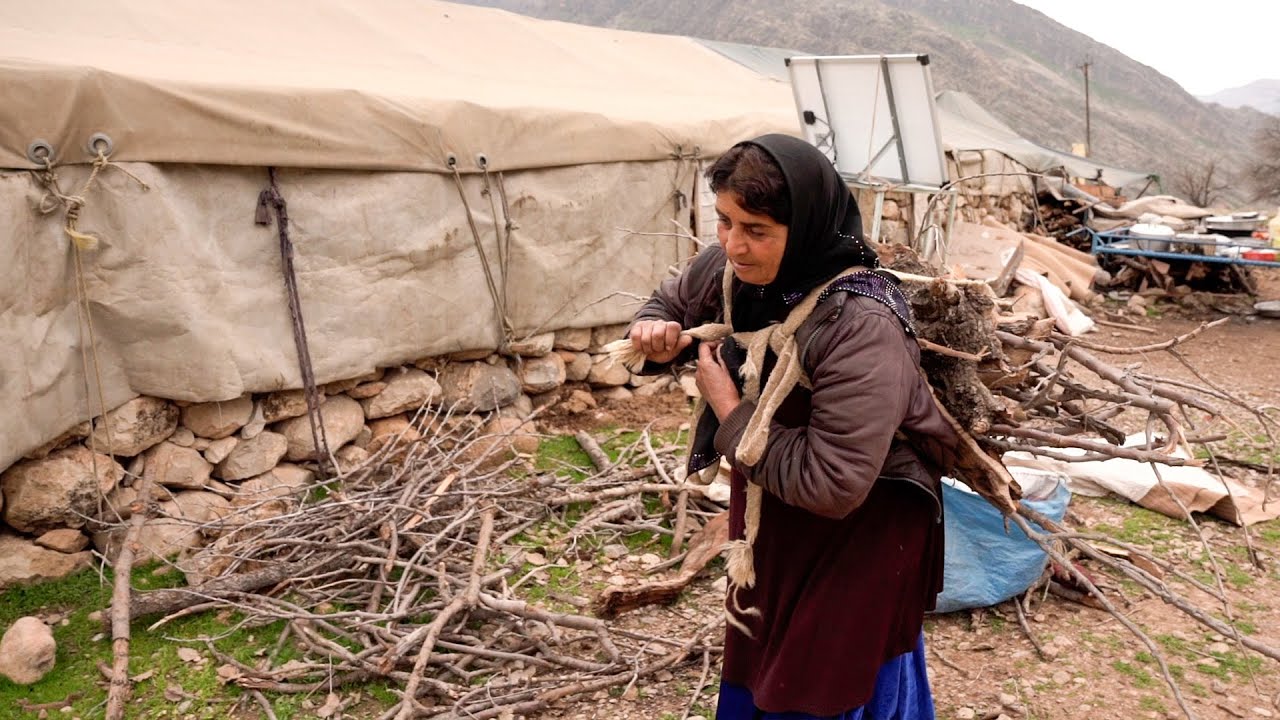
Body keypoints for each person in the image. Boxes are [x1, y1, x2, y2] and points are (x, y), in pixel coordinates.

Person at [627, 134, 958, 719]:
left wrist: (730, 413)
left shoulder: (860, 323)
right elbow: (671, 302)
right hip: (774, 509)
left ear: (803, 227)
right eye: (725, 221)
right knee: (764, 653)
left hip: (860, 529)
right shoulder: (731, 271)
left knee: (821, 677)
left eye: (756, 230)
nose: (733, 244)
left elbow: (834, 483)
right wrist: (653, 329)